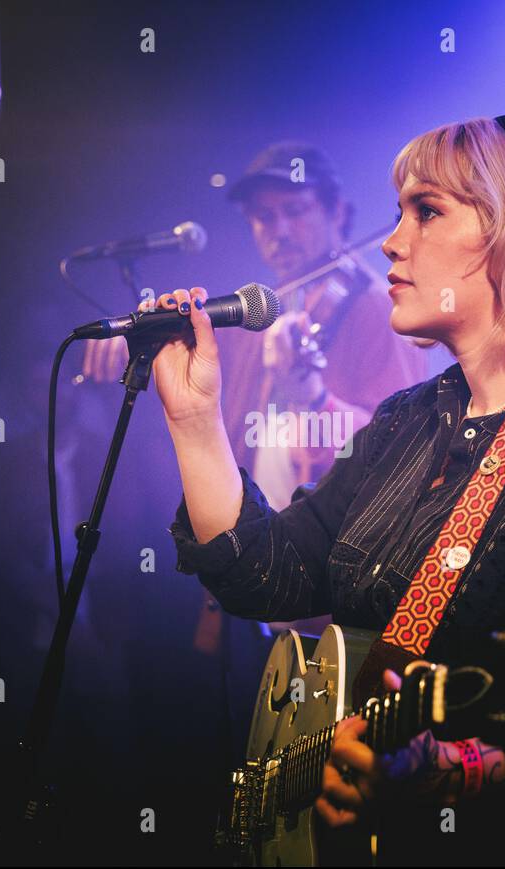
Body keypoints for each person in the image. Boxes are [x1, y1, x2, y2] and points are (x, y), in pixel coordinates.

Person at [148, 115, 505, 864]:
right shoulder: (412, 418)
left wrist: (440, 771)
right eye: (401, 212)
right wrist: (193, 417)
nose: (391, 241)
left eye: (426, 211)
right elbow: (265, 575)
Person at [82, 142, 428, 774]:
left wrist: (316, 397)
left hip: (331, 613)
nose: (278, 230)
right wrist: (144, 351)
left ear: (338, 214)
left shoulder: (379, 310)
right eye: (263, 218)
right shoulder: (259, 312)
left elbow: (401, 453)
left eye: (294, 210)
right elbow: (227, 441)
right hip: (256, 585)